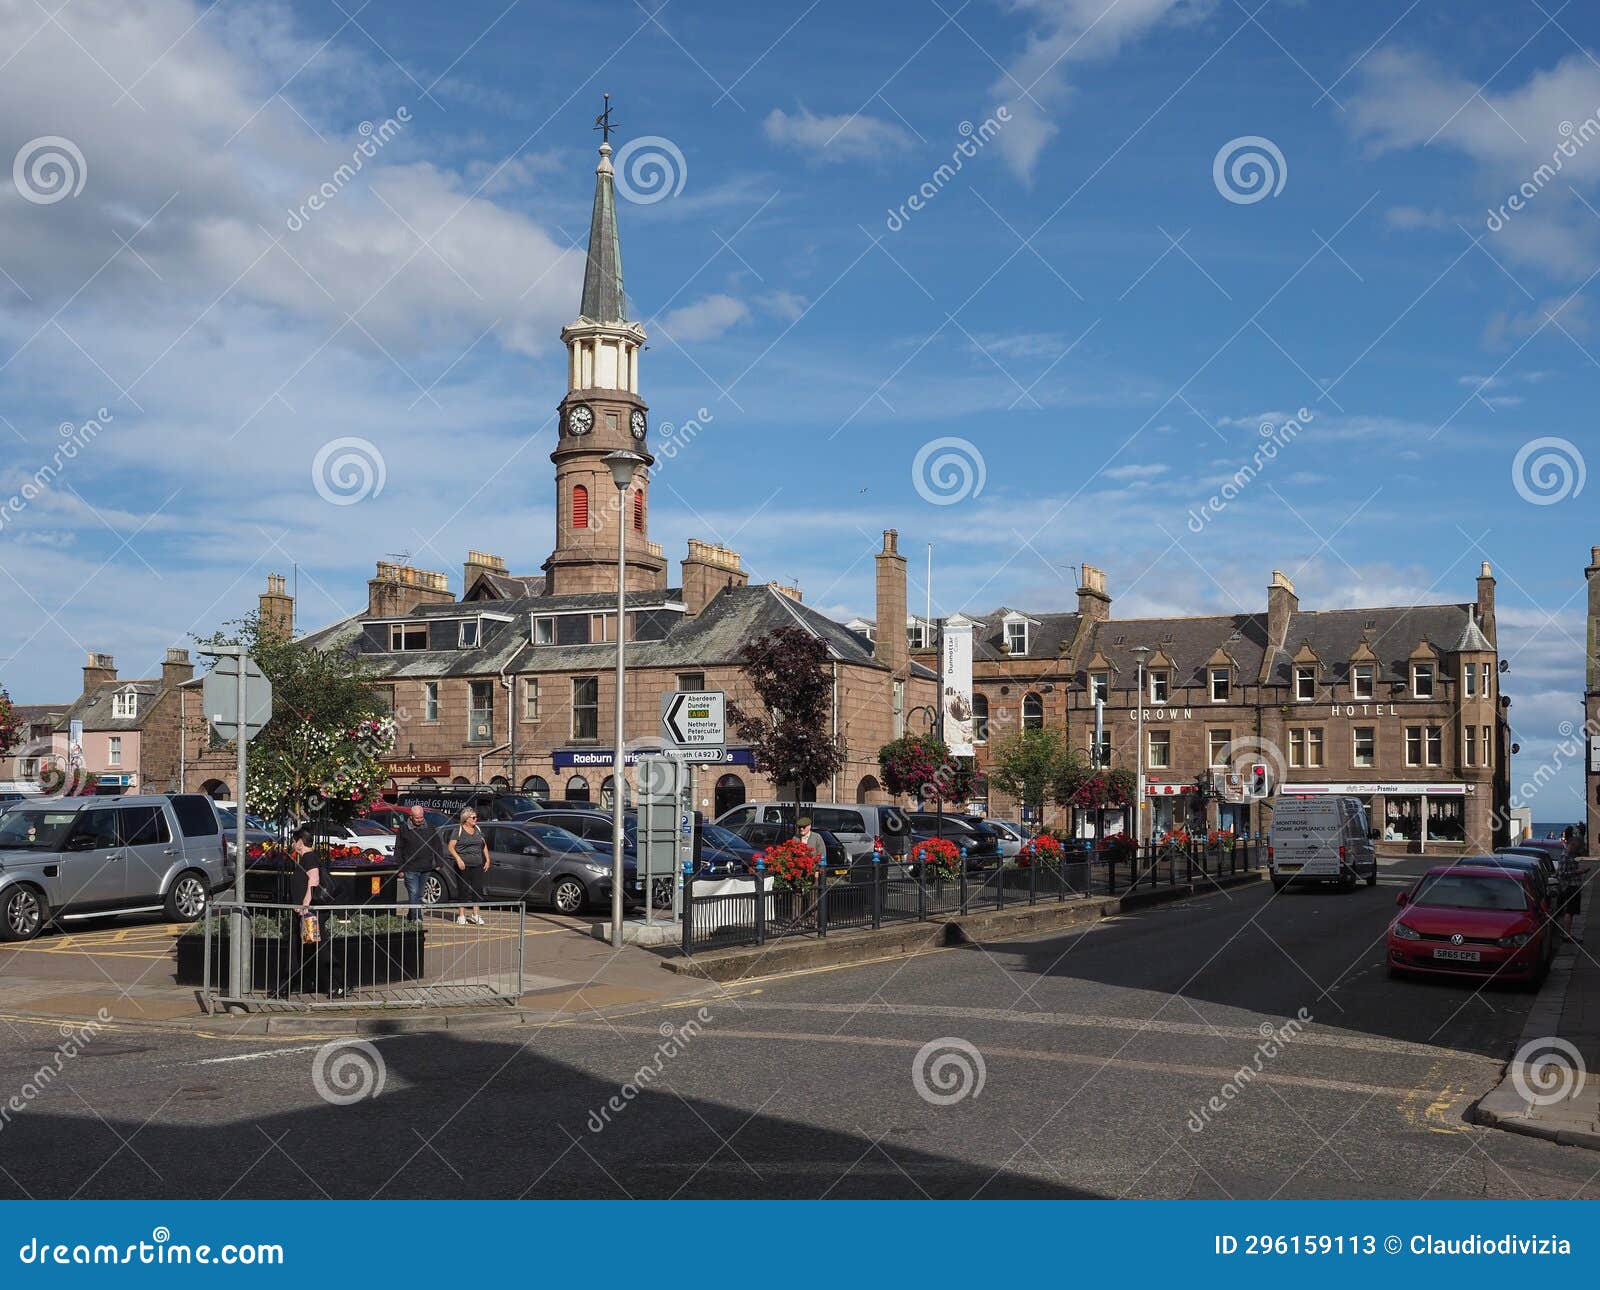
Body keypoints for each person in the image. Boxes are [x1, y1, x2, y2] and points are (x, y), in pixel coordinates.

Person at [283, 826, 343, 999]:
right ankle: (286, 987)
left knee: (320, 948)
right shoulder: (306, 858)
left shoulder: (309, 857)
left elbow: (314, 879)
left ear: (300, 842)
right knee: (300, 950)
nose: (293, 844)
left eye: (294, 841)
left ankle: (337, 985)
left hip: (310, 914)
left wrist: (305, 905)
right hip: (305, 913)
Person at [448, 808, 490, 926]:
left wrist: (487, 859)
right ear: (466, 819)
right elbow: (451, 847)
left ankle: (475, 914)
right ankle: (461, 915)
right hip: (463, 865)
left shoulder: (477, 829)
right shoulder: (459, 830)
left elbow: (483, 845)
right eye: (473, 817)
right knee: (463, 889)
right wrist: (459, 859)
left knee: (477, 889)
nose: (476, 819)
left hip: (477, 863)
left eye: (476, 817)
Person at [394, 806, 437, 922]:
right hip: (410, 867)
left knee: (419, 894)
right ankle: (416, 918)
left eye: (421, 817)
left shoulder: (430, 827)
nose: (419, 820)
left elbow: (437, 844)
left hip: (425, 866)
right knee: (413, 892)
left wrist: (439, 861)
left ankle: (411, 915)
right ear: (411, 817)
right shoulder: (403, 828)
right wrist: (400, 868)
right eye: (417, 818)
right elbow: (398, 848)